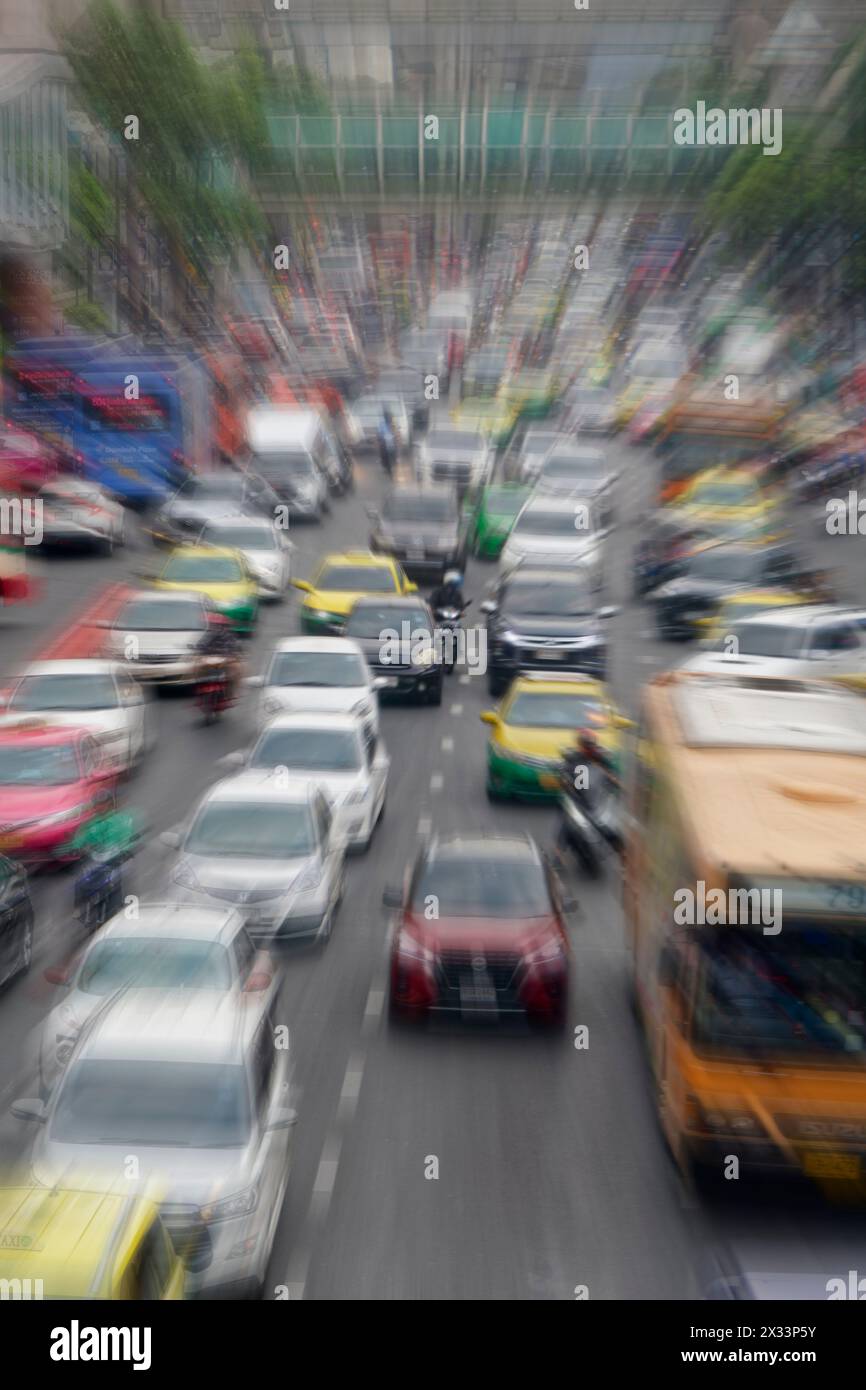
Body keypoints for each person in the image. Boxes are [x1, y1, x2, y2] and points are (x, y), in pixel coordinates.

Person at [195, 613, 242, 703]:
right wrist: (199, 653)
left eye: (220, 625)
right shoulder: (207, 634)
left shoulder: (230, 635)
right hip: (209, 657)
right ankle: (198, 688)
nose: (217, 627)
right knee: (195, 666)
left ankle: (232, 692)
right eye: (215, 625)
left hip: (225, 658)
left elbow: (234, 647)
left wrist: (232, 656)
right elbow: (200, 645)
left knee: (238, 668)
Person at [377, 408, 397, 475]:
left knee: (395, 450)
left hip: (391, 441)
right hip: (384, 441)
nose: (388, 418)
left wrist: (394, 435)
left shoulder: (393, 424)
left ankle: (395, 460)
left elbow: (395, 432)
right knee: (382, 451)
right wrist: (380, 438)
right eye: (387, 417)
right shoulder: (381, 424)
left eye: (389, 417)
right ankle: (384, 464)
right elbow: (379, 433)